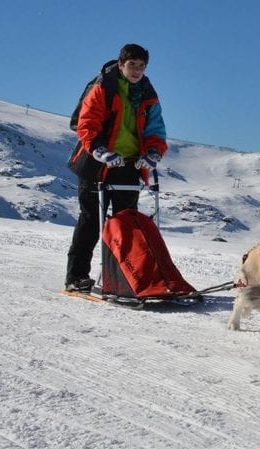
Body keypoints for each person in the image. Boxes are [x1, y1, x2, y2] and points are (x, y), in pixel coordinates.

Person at [65, 43, 167, 291]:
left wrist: (153, 152)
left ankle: (125, 278)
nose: (137, 71)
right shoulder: (104, 87)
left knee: (126, 225)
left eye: (142, 66)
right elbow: (87, 123)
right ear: (121, 64)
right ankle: (76, 277)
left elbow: (155, 129)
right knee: (90, 221)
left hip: (129, 165)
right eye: (132, 65)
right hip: (96, 163)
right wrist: (100, 150)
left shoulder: (147, 93)